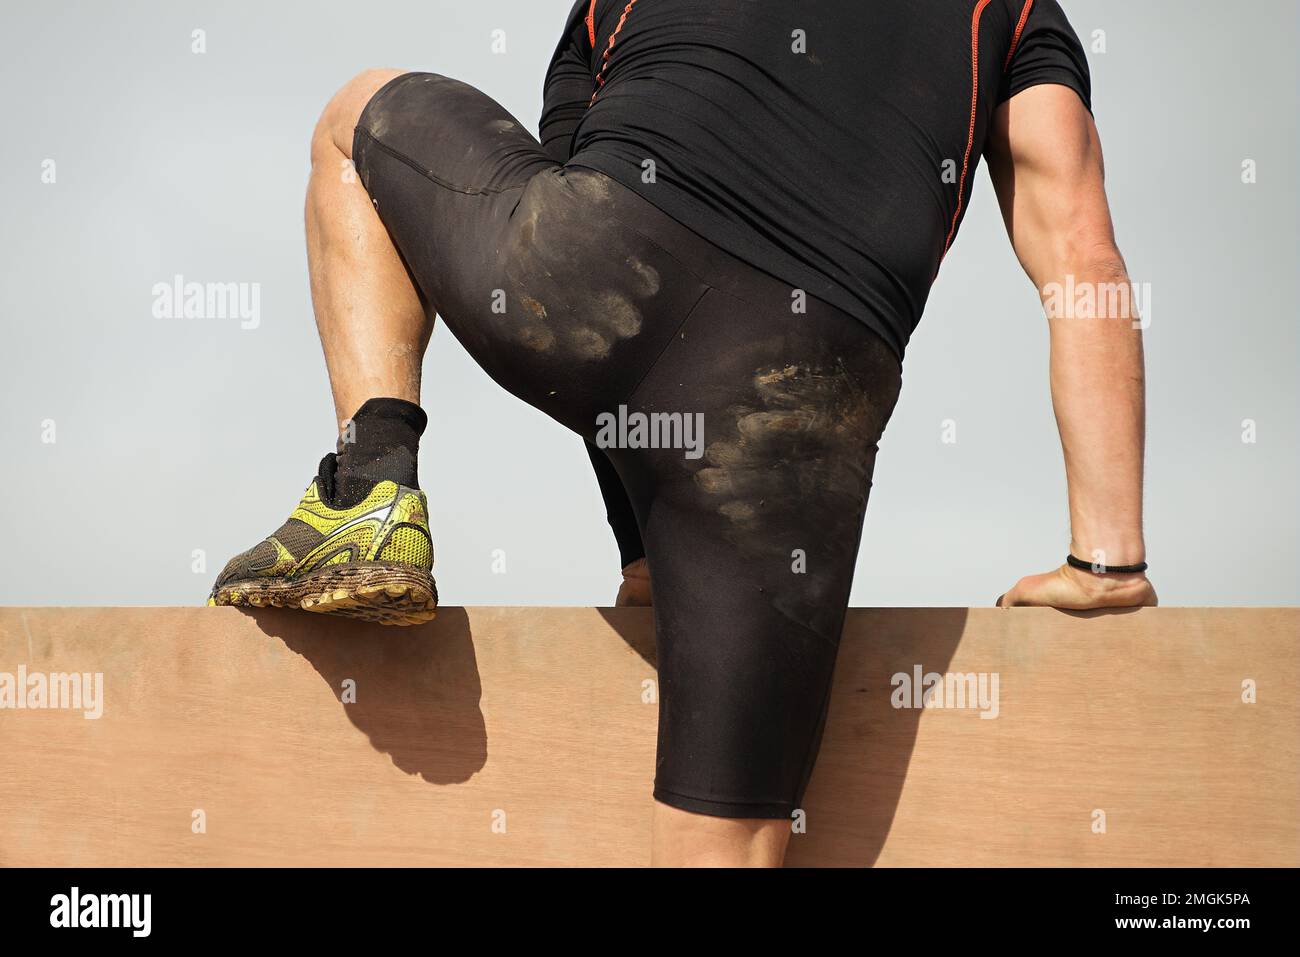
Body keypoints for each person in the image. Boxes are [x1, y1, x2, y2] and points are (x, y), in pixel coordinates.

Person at [210, 0, 1156, 866]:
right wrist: (1108, 561)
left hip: (600, 266)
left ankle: (372, 485)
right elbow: (1082, 253)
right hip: (805, 407)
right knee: (725, 847)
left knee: (354, 118)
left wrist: (642, 548)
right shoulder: (1018, 14)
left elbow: (585, 222)